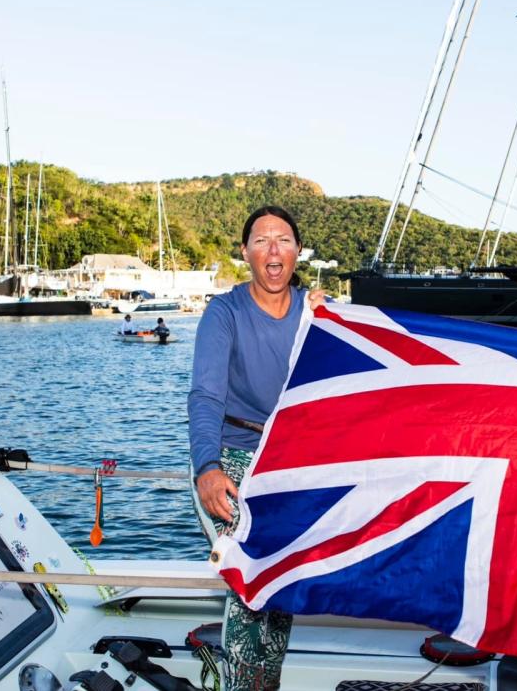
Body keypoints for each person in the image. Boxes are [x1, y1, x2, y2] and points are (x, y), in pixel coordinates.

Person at [188, 205, 324, 690]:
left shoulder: (316, 312)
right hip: (230, 457)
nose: (273, 250)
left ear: (297, 253)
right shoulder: (223, 313)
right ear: (245, 252)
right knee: (249, 583)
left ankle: (266, 684)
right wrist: (207, 466)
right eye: (261, 240)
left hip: (286, 464)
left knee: (280, 588)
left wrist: (330, 323)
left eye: (283, 240)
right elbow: (205, 394)